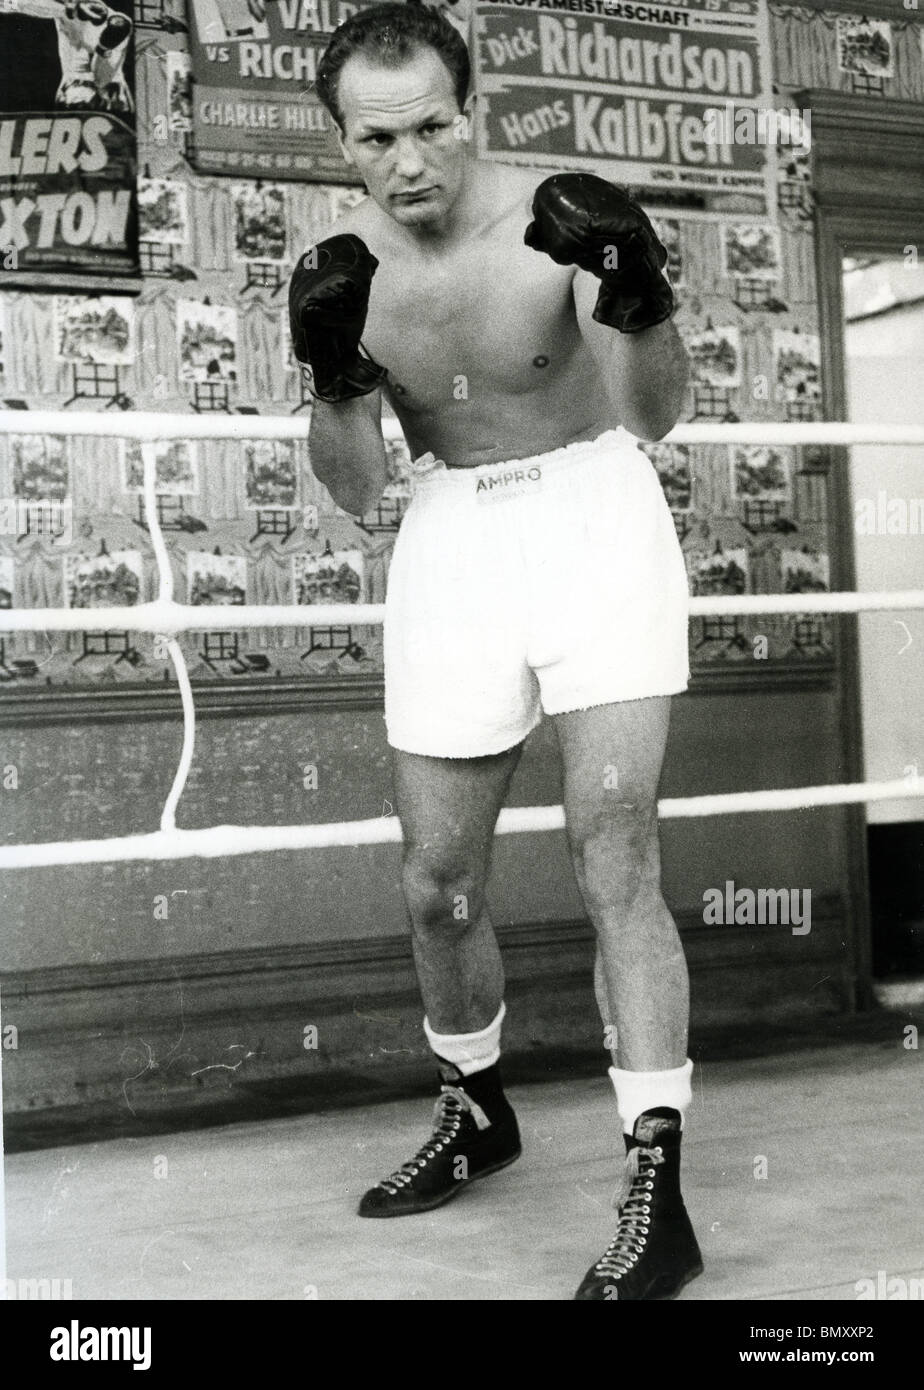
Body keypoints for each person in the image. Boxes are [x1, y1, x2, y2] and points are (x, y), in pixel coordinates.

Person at [290, 2, 701, 1301]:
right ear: (340, 141)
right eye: (376, 138)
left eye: (430, 127)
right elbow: (360, 489)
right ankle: (476, 1103)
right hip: (453, 535)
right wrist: (330, 378)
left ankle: (658, 1175)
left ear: (471, 111)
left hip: (595, 505)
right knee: (437, 881)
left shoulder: (557, 220)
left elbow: (658, 414)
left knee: (616, 837)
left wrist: (635, 292)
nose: (409, 162)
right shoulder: (340, 264)